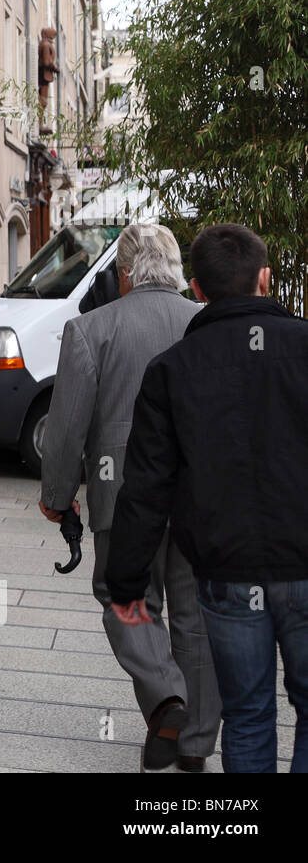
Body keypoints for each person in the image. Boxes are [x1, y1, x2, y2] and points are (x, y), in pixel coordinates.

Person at [109, 223, 308, 774]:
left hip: (227, 572)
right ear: (266, 279)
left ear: (196, 288)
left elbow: (146, 486)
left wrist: (127, 583)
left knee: (246, 715)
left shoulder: (172, 370)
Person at [39, 224, 219, 772]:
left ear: (124, 274)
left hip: (123, 491)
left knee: (127, 598)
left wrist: (58, 493)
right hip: (200, 494)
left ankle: (167, 698)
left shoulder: (90, 329)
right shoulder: (207, 324)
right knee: (195, 616)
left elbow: (68, 426)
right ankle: (192, 745)